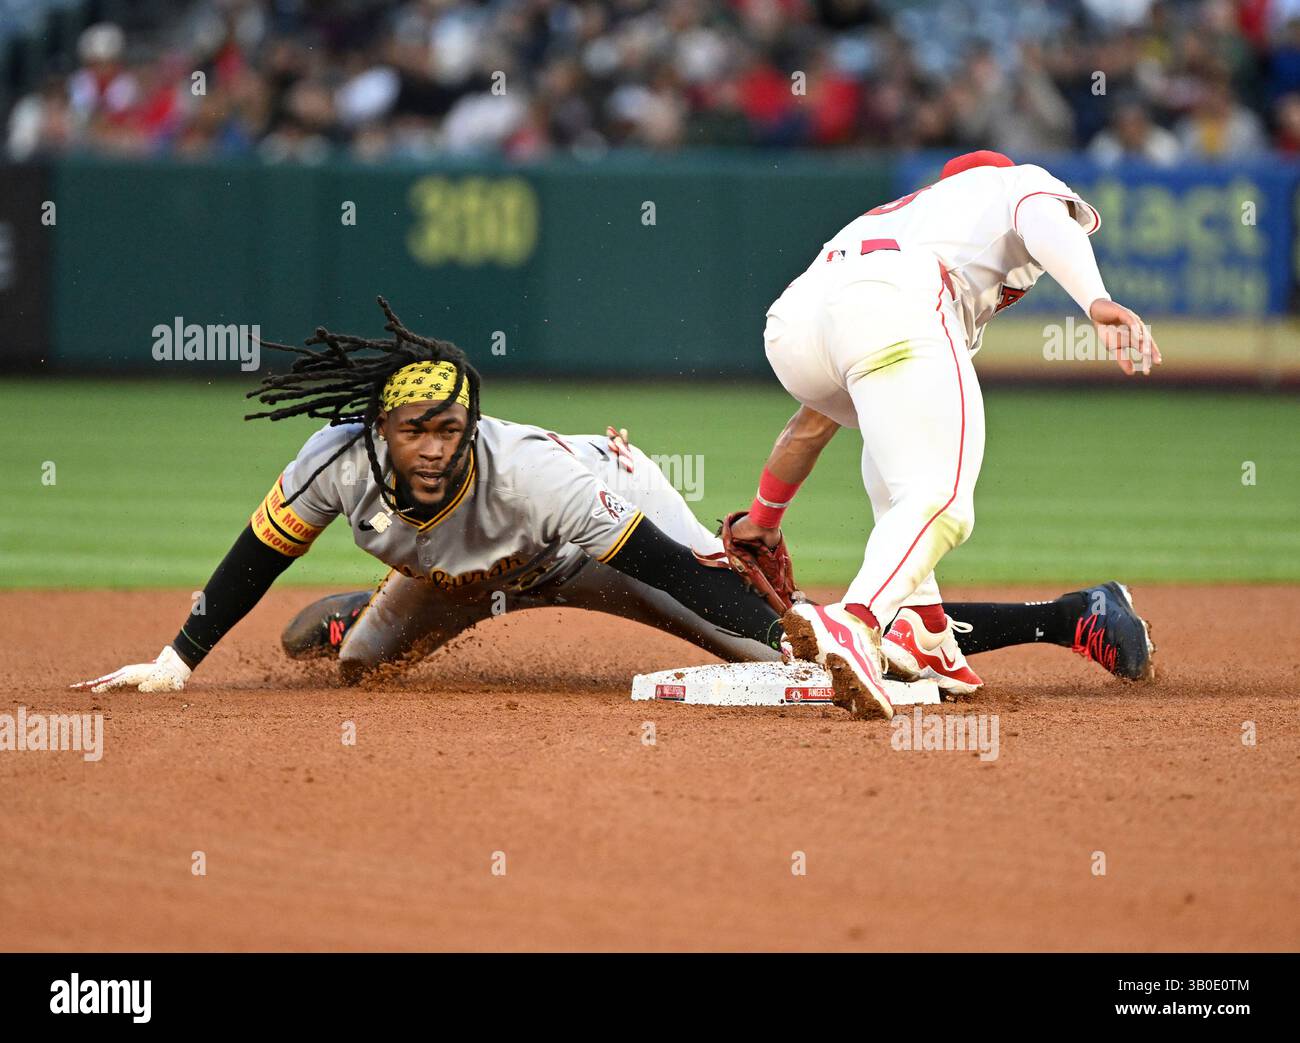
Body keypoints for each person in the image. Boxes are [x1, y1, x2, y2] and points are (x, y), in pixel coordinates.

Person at [729, 150, 1161, 719]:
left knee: (903, 479)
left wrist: (764, 518)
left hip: (791, 331)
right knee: (944, 501)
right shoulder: (1008, 184)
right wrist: (1095, 299)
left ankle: (927, 635)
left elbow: (813, 423)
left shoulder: (890, 221)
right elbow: (1043, 215)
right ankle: (854, 622)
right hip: (896, 302)